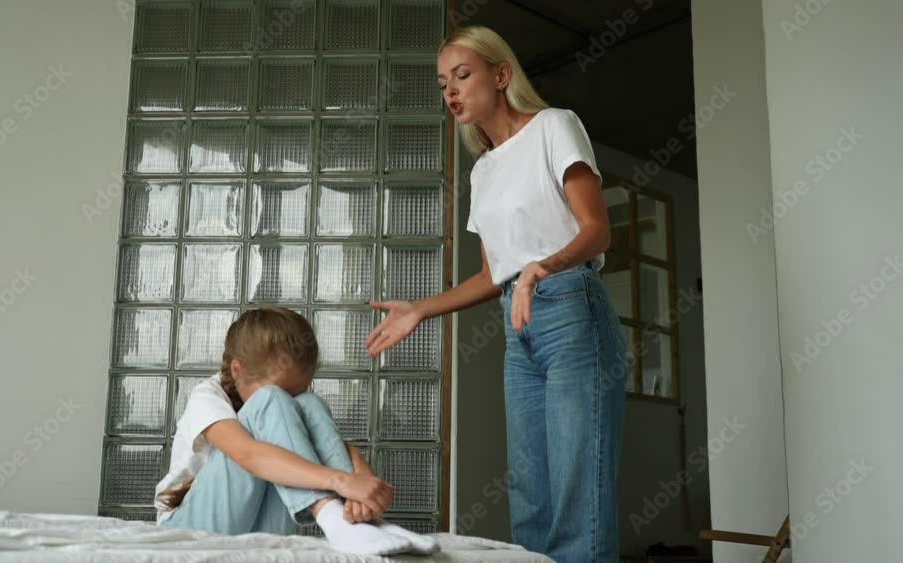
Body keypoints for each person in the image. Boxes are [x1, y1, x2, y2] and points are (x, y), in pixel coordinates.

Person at [365, 25, 628, 563]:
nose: (452, 93)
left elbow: (597, 231)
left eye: (463, 76)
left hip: (572, 310)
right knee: (530, 493)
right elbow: (494, 275)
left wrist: (541, 267)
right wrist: (422, 308)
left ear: (501, 75)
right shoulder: (482, 171)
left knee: (581, 490)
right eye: (443, 85)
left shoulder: (555, 127)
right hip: (520, 327)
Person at [155, 306, 440, 556]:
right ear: (237, 370)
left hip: (255, 527)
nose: (285, 400)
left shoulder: (289, 399)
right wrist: (340, 482)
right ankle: (330, 514)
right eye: (280, 390)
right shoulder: (207, 398)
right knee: (271, 401)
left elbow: (328, 444)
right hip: (191, 528)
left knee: (308, 404)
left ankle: (356, 521)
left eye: (295, 389)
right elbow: (249, 455)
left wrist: (361, 491)